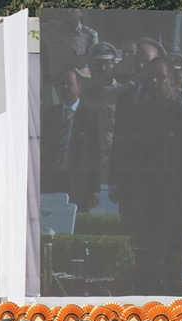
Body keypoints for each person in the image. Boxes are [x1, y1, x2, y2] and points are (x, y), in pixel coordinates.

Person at [109, 57, 182, 295]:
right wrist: (120, 194)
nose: (154, 81)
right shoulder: (135, 115)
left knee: (173, 273)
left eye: (160, 77)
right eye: (151, 77)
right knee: (144, 271)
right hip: (142, 206)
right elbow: (120, 156)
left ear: (172, 82)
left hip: (175, 207)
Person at [42, 68, 105, 213]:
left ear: (79, 88)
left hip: (78, 184)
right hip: (52, 181)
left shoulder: (90, 116)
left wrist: (95, 188)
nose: (64, 88)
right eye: (61, 84)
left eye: (69, 84)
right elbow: (43, 150)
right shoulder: (51, 115)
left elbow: (95, 154)